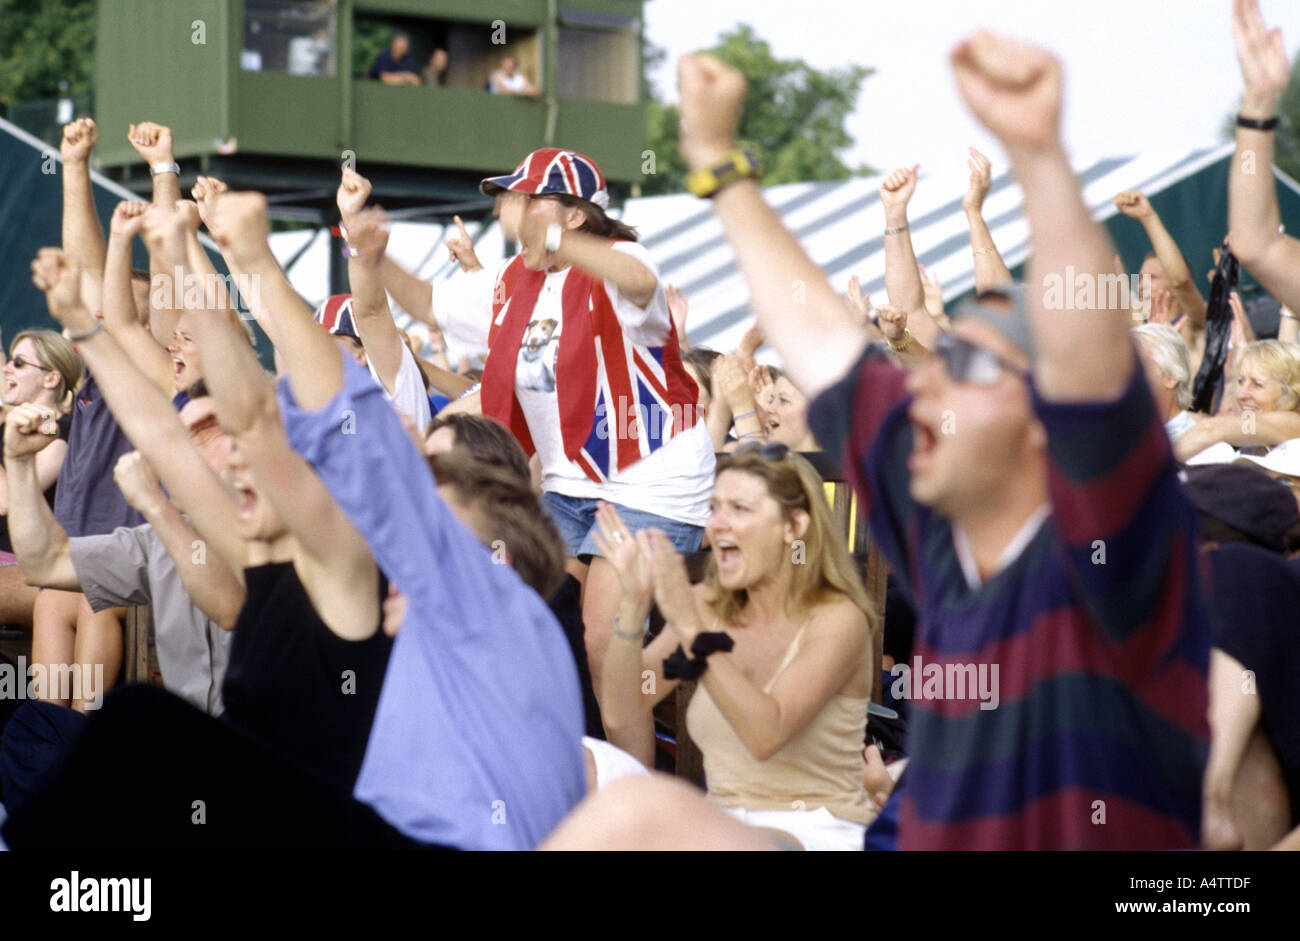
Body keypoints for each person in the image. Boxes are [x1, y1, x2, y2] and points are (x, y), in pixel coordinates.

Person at [672, 42, 1209, 849]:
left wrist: (1039, 154)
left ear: (1044, 419)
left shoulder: (1109, 549)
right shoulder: (940, 532)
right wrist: (719, 164)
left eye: (964, 368)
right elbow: (824, 345)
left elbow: (1095, 367)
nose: (923, 385)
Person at [431, 147, 715, 752]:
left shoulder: (621, 260)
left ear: (575, 216)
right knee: (507, 600)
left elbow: (640, 282)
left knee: (601, 643)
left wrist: (553, 237)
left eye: (529, 198)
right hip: (573, 486)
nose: (514, 209)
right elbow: (422, 314)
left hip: (647, 479)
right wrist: (363, 252)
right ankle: (565, 757)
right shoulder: (523, 282)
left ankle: (630, 809)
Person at [596, 445, 877, 850]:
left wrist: (692, 629)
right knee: (600, 789)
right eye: (714, 507)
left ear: (794, 527)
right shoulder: (708, 607)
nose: (718, 524)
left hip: (817, 827)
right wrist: (633, 605)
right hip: (719, 828)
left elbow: (766, 735)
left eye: (740, 509)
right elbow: (623, 712)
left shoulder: (837, 618)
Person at [0, 330, 80, 628]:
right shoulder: (12, 424)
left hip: (27, 563)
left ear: (51, 379)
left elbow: (5, 501)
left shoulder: (57, 430)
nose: (7, 368)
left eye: (19, 363)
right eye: (9, 360)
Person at [1172, 339, 1300, 463]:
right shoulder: (1261, 441)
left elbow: (1213, 428)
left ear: (1290, 391)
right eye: (1241, 381)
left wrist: (1161, 468)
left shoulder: (1294, 423)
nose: (1240, 394)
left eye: (1257, 384)